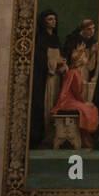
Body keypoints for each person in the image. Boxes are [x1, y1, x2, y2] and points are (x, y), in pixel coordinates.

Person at [30, 8, 65, 147]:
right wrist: (55, 63)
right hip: (46, 79)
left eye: (54, 19)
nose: (53, 21)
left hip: (56, 77)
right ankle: (45, 136)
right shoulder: (40, 38)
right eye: (50, 19)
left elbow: (58, 56)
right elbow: (40, 59)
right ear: (44, 22)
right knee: (46, 104)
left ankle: (54, 135)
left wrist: (62, 63)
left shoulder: (55, 38)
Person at [52, 46, 99, 148]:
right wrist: (83, 103)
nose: (86, 59)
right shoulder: (74, 72)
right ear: (80, 60)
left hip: (71, 100)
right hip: (67, 101)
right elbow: (75, 92)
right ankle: (86, 138)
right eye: (85, 57)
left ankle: (86, 138)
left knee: (90, 108)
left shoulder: (76, 72)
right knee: (90, 109)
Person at [62, 18, 99, 101]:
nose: (92, 31)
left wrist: (92, 52)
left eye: (93, 28)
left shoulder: (92, 42)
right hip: (74, 73)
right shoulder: (72, 40)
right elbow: (70, 60)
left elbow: (90, 66)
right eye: (89, 29)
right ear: (82, 30)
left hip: (84, 73)